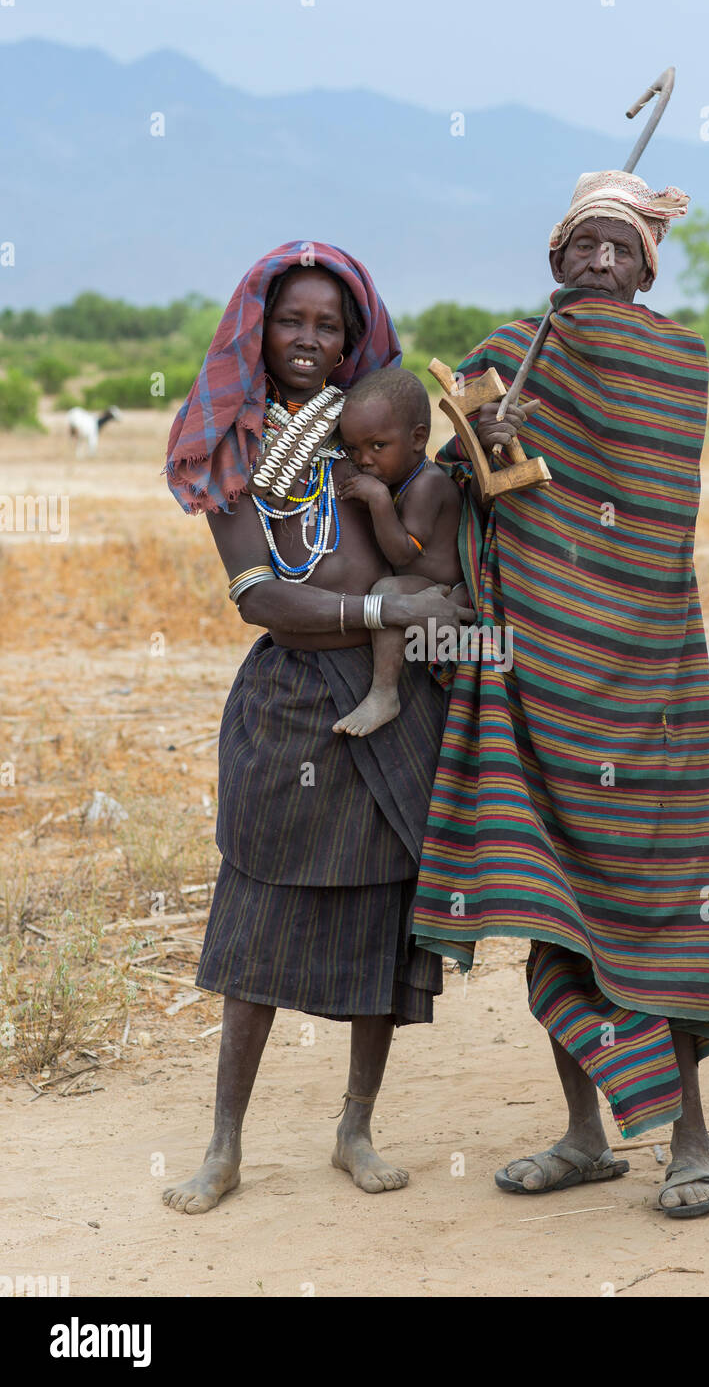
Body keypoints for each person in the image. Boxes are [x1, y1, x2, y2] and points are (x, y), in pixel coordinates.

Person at [410, 172, 709, 1217]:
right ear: (555, 262)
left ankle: (689, 1142)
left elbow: (651, 501)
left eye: (620, 247)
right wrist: (481, 438)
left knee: (656, 906)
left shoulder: (677, 363)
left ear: (649, 266)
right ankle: (583, 1135)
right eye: (582, 246)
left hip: (647, 674)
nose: (599, 260)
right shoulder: (506, 353)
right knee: (550, 904)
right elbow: (451, 481)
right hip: (532, 672)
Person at [160, 241, 472, 1212]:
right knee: (255, 925)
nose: (307, 338)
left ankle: (356, 1126)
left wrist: (480, 439)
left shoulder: (375, 430)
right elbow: (262, 600)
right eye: (291, 319)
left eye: (327, 324)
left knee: (384, 912)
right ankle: (224, 1147)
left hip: (392, 707)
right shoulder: (230, 442)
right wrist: (385, 613)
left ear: (350, 338)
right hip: (291, 701)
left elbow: (443, 500)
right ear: (260, 325)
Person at [332, 367, 465, 737]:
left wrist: (377, 500)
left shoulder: (428, 484)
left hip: (444, 593)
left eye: (377, 446)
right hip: (423, 584)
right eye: (353, 450)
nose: (364, 460)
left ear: (418, 438)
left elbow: (404, 553)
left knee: (386, 594)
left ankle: (383, 694)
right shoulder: (402, 478)